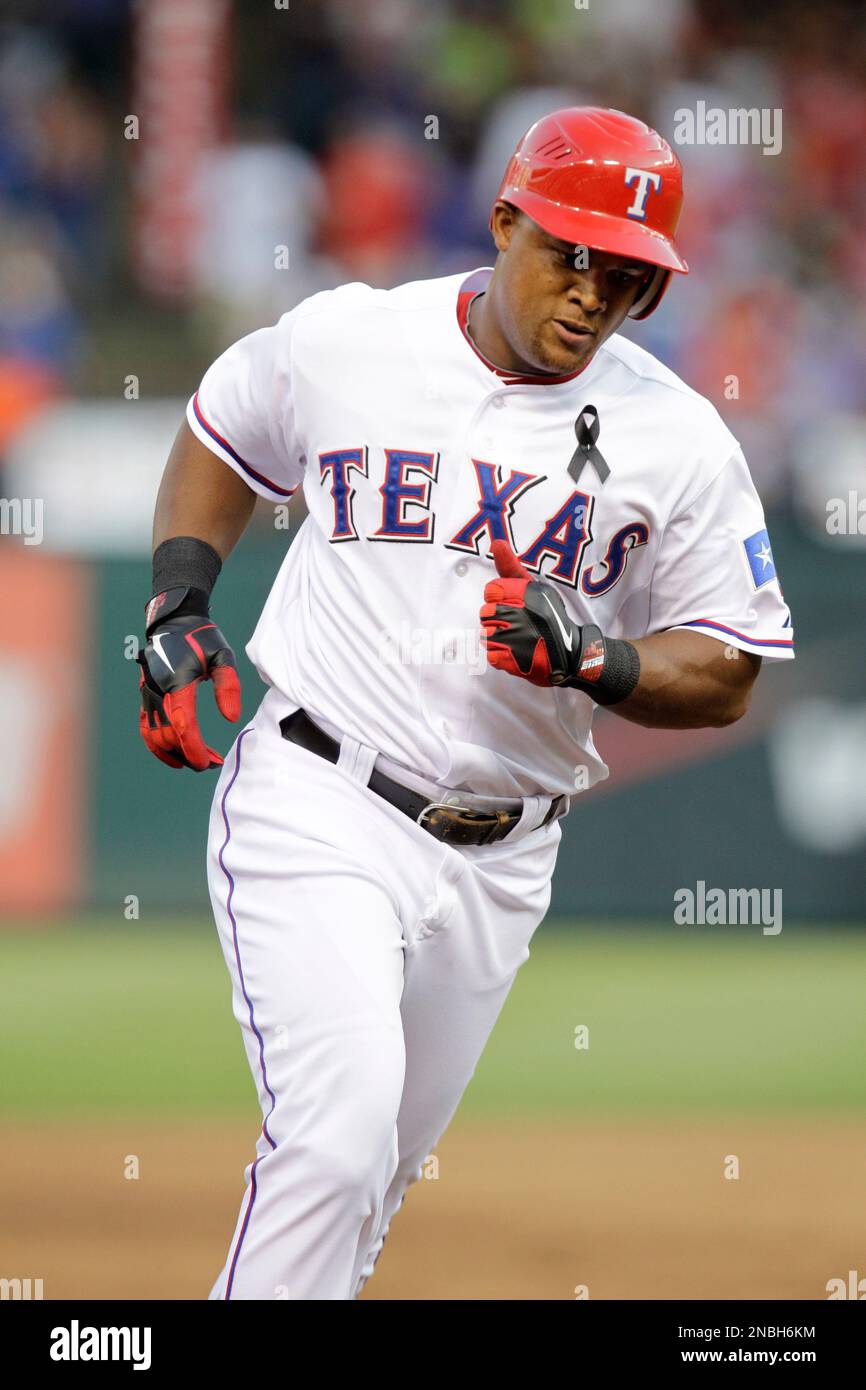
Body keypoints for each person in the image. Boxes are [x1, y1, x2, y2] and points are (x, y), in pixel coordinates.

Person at [136, 108, 794, 1300]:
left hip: (501, 855)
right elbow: (222, 431)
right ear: (504, 222)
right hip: (319, 796)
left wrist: (600, 661)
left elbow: (729, 663)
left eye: (630, 275)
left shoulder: (678, 439)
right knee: (332, 1141)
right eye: (572, 254)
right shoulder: (352, 337)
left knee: (371, 1182)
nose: (594, 293)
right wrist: (178, 604)